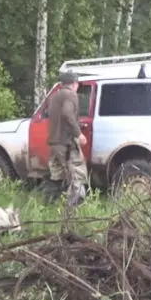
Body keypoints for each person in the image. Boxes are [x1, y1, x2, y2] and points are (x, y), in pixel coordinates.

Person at [44, 71, 88, 208]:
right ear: (74, 83)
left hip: (54, 143)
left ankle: (49, 204)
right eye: (77, 83)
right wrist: (78, 133)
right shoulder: (70, 95)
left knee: (57, 174)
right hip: (66, 143)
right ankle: (74, 207)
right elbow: (67, 113)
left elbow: (50, 114)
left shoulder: (55, 96)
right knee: (78, 173)